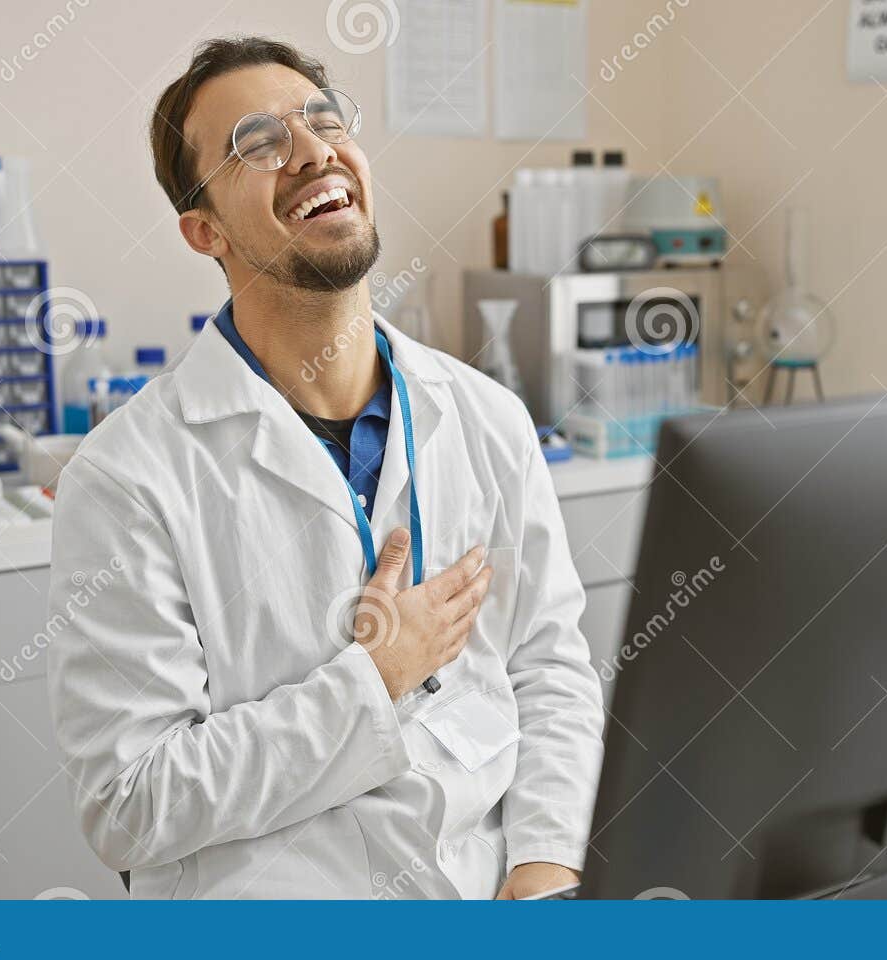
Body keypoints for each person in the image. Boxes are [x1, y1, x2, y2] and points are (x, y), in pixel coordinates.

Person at [46, 36, 606, 899]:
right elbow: (130, 803)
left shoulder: (486, 419)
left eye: (324, 119)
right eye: (258, 144)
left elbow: (549, 670)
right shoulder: (127, 478)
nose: (311, 152)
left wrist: (543, 870)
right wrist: (374, 679)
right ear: (205, 231)